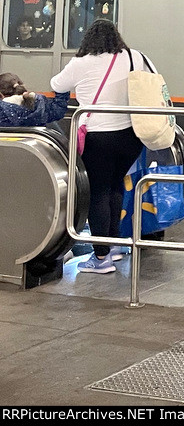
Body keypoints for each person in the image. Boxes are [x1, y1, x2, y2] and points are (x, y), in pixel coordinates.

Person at [49, 19, 152, 274]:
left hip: (98, 136)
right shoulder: (134, 56)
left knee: (98, 192)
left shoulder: (81, 62)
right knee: (116, 185)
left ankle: (101, 256)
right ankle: (114, 245)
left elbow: (56, 85)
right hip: (131, 135)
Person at [0, 72, 68, 128]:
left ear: (1, 94)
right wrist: (61, 86)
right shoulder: (41, 105)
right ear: (22, 86)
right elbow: (59, 109)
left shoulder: (2, 111)